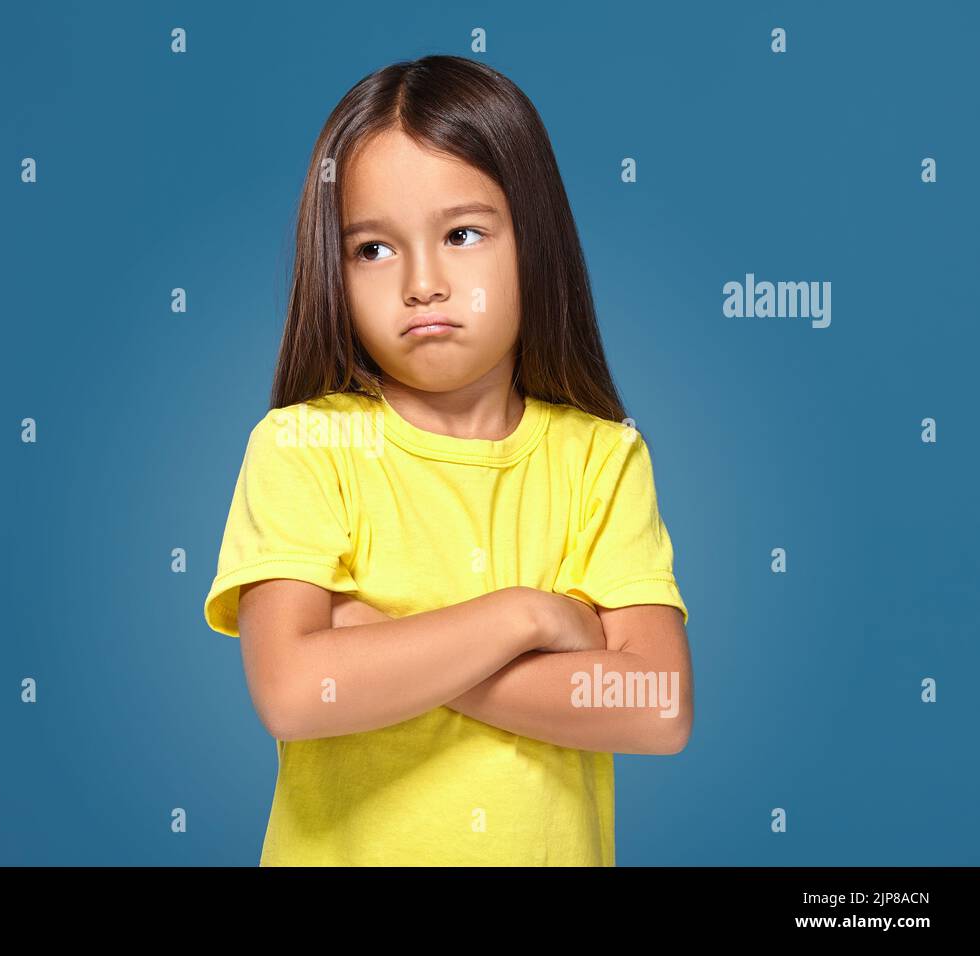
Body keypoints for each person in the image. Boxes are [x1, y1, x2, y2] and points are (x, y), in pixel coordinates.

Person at [203, 54, 692, 866]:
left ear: (531, 240)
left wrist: (383, 648)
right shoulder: (303, 447)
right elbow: (294, 691)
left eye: (462, 234)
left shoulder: (602, 460)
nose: (423, 283)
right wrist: (525, 618)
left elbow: (655, 704)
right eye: (373, 249)